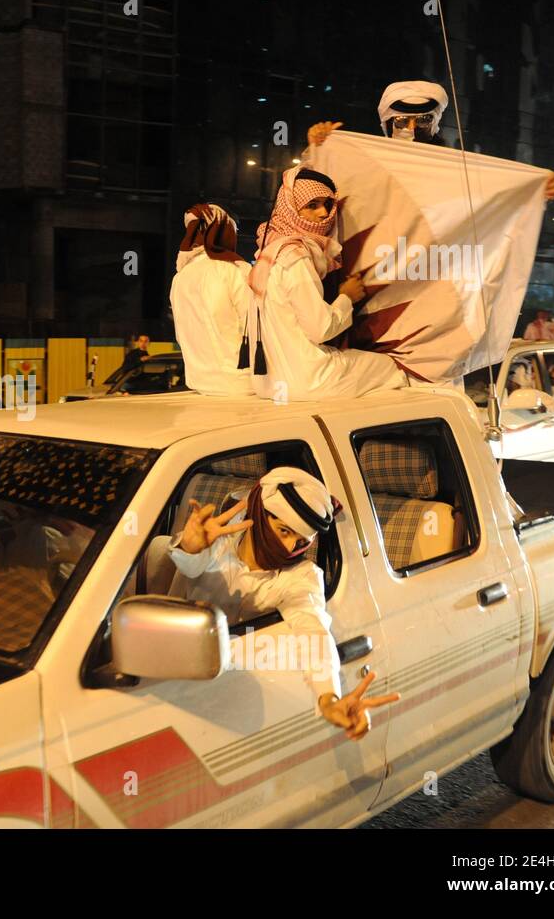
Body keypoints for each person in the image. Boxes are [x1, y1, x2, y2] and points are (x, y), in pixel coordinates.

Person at [169, 467, 400, 739]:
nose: (289, 548)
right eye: (283, 531)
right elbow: (189, 564)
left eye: (300, 541)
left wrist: (329, 698)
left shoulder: (299, 576)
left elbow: (312, 628)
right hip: (179, 675)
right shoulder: (217, 547)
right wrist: (191, 546)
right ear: (258, 513)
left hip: (241, 697)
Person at [243, 165, 408, 401]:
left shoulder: (266, 254)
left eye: (327, 205)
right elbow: (320, 329)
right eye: (312, 205)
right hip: (308, 381)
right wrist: (346, 297)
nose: (323, 213)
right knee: (391, 367)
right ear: (290, 208)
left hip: (267, 384)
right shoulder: (296, 256)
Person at [308, 80, 554, 201]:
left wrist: (535, 188)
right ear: (387, 124)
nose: (411, 128)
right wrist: (318, 150)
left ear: (434, 124)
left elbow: (492, 196)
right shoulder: (365, 165)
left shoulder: (455, 169)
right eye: (401, 121)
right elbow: (313, 193)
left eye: (421, 121)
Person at [171, 203, 253, 396]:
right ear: (223, 230)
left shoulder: (179, 278)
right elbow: (257, 326)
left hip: (199, 385)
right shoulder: (233, 271)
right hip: (241, 386)